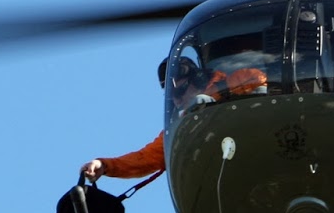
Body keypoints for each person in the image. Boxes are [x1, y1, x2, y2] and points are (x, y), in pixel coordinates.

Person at [80, 57, 267, 181]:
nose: (176, 100)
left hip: (258, 145)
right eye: (170, 96)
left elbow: (258, 81)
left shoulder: (235, 82)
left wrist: (222, 101)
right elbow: (145, 158)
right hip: (230, 172)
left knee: (201, 102)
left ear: (199, 79)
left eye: (179, 91)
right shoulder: (184, 125)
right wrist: (104, 165)